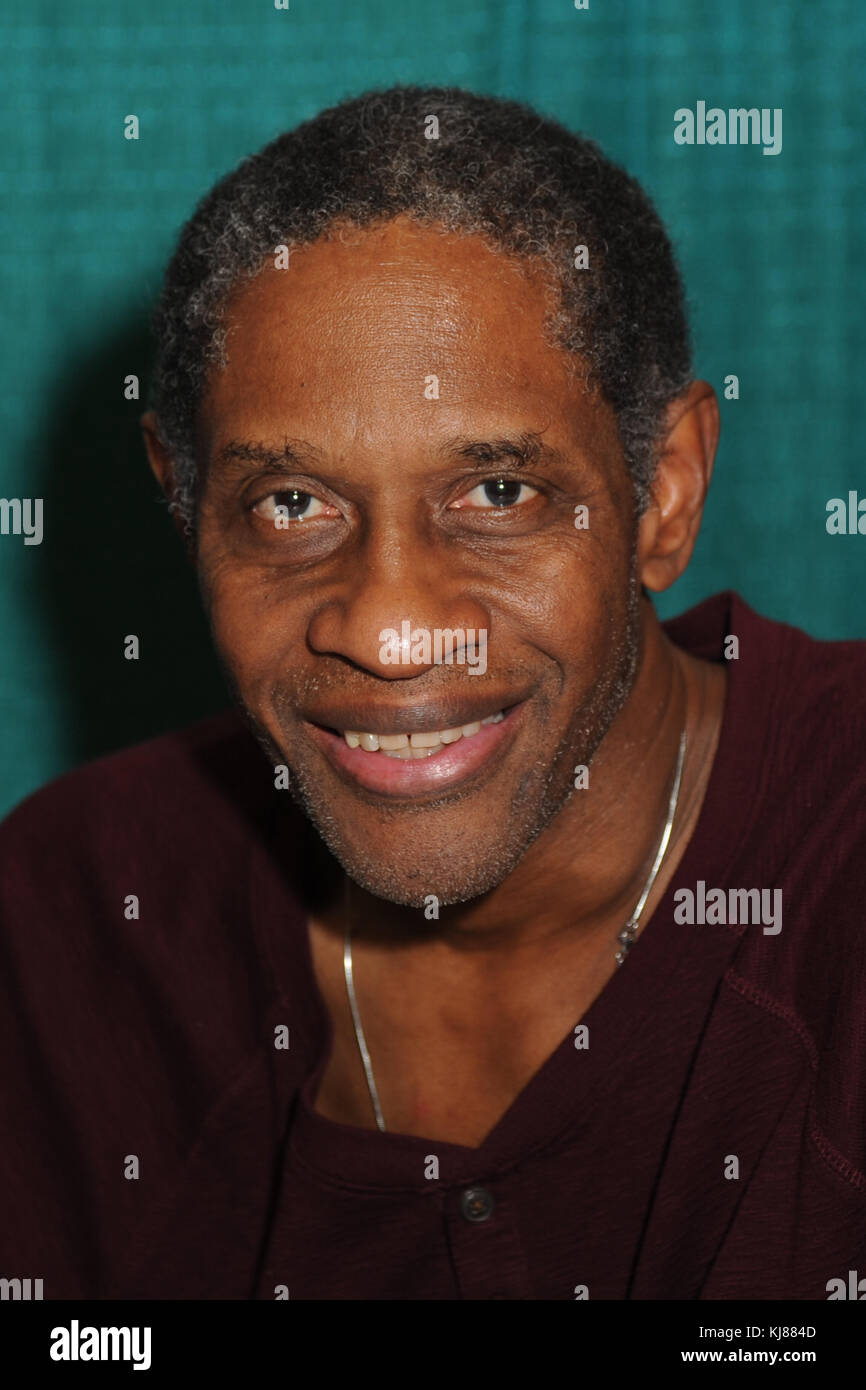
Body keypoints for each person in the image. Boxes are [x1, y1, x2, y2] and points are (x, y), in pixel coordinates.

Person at [1, 85, 864, 1301]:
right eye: (290, 505)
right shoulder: (80, 918)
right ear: (185, 509)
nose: (395, 634)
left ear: (662, 492)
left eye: (497, 495)